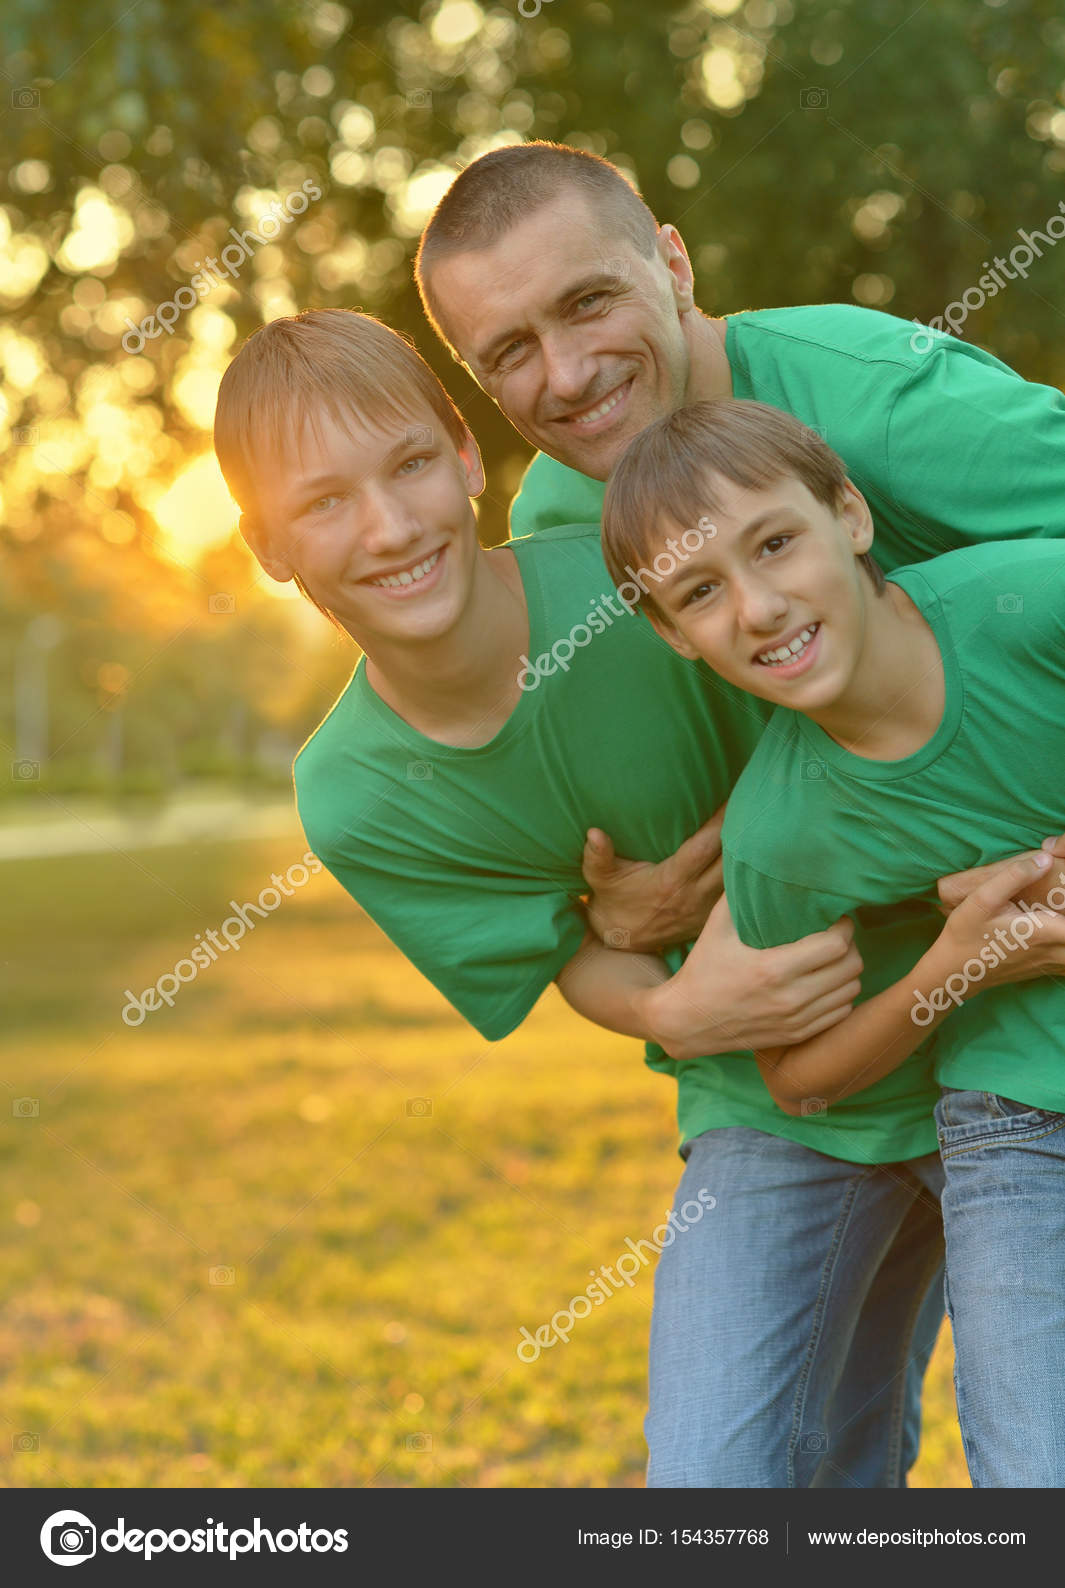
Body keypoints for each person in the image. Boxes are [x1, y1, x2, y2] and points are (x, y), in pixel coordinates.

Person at [210, 306, 1031, 1489]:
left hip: (1000, 1039)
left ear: (460, 451)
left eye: (404, 467)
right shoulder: (351, 795)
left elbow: (870, 689)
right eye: (324, 502)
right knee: (728, 1482)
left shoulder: (638, 576)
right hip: (780, 1094)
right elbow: (563, 948)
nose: (389, 527)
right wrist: (666, 1010)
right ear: (266, 545)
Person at [600, 396, 1065, 1486]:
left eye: (774, 543)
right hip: (1016, 1106)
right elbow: (798, 1075)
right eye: (700, 591)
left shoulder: (1029, 605)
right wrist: (961, 964)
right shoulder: (782, 830)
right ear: (671, 633)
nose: (759, 607)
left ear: (849, 513)